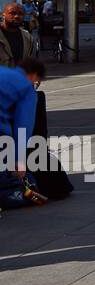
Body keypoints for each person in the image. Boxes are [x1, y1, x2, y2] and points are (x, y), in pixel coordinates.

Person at [0, 58, 48, 209]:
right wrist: (19, 160)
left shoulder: (3, 72)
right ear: (33, 75)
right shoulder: (26, 88)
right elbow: (23, 126)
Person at [0, 3, 35, 68]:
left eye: (20, 14)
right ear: (3, 15)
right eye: (12, 13)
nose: (17, 16)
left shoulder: (27, 37)